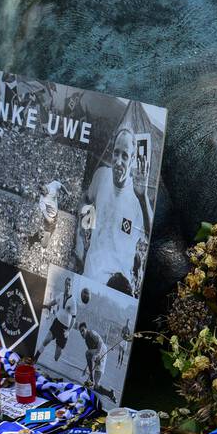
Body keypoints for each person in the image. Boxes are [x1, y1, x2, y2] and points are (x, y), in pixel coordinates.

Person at [74, 127, 150, 294]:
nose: (118, 161)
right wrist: (81, 238)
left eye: (125, 155)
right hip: (90, 276)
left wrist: (143, 198)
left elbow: (151, 233)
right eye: (116, 153)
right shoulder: (102, 176)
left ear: (132, 160)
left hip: (116, 287)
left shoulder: (138, 195)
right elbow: (85, 199)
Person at [37, 276, 79, 364]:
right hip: (57, 324)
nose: (67, 287)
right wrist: (45, 305)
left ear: (71, 287)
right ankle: (35, 357)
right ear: (64, 284)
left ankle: (59, 346)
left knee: (56, 357)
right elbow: (54, 302)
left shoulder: (73, 301)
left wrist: (68, 331)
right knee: (46, 340)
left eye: (69, 285)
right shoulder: (60, 295)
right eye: (66, 284)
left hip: (64, 329)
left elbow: (74, 319)